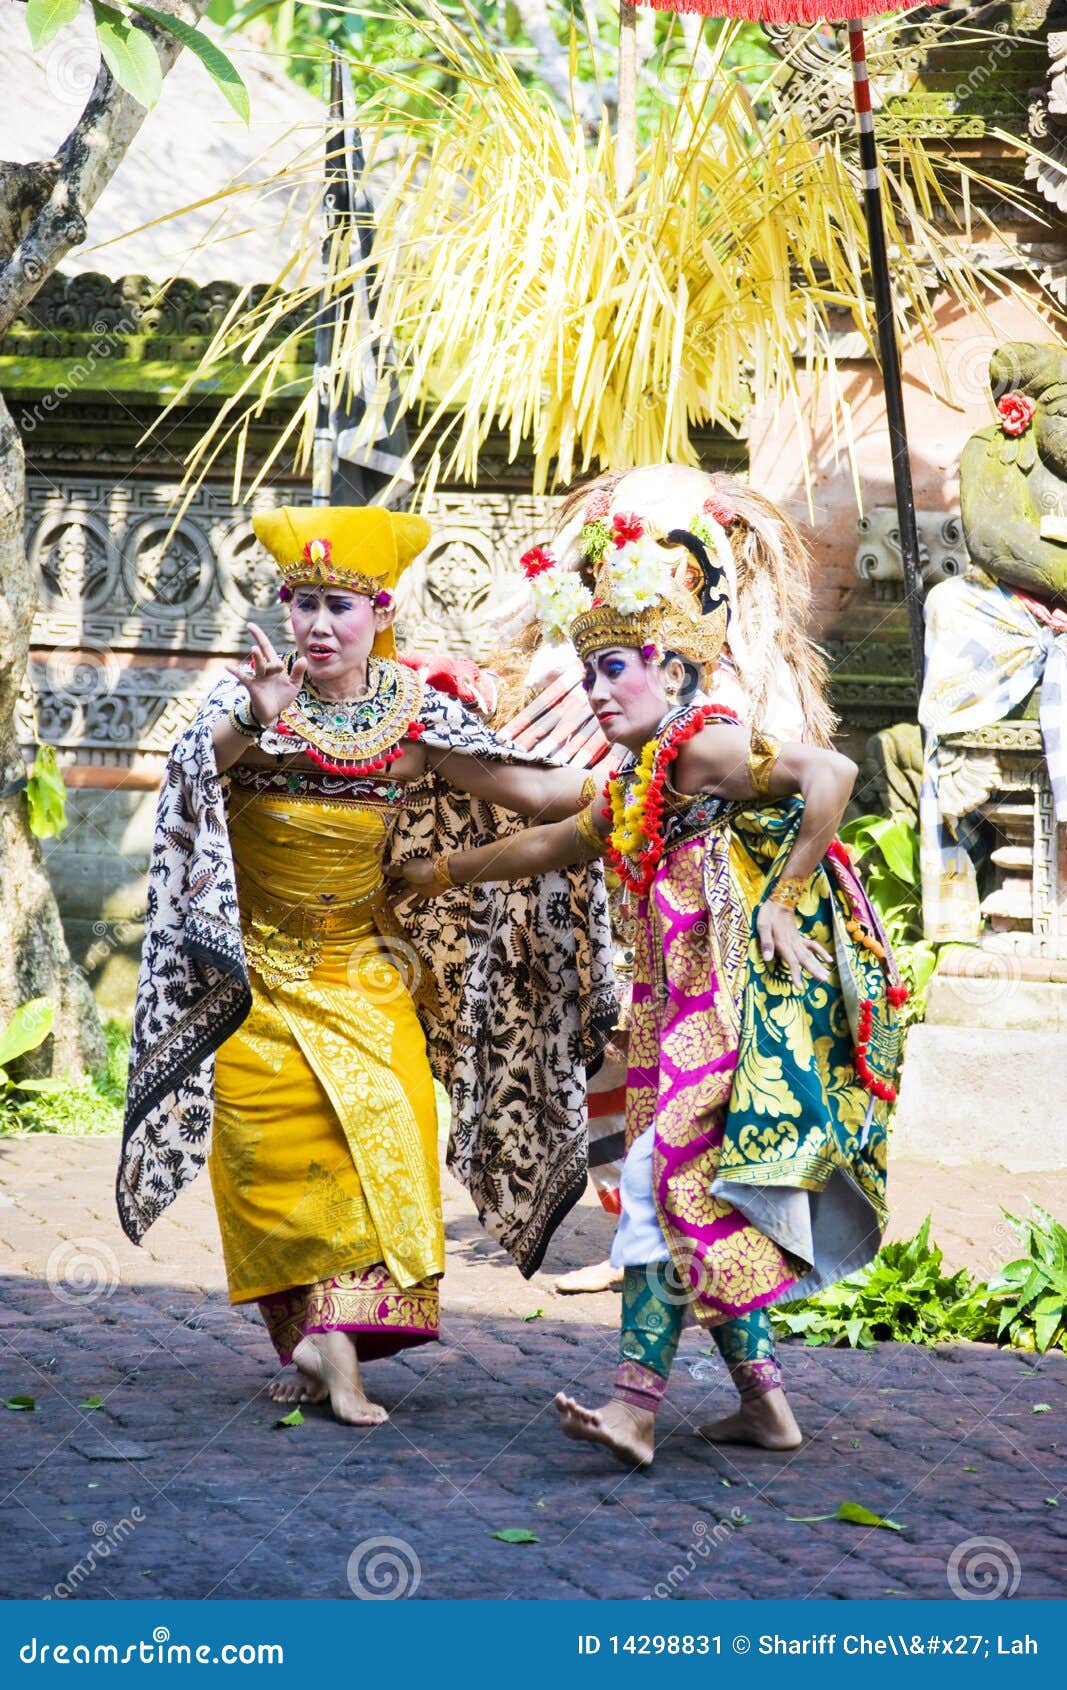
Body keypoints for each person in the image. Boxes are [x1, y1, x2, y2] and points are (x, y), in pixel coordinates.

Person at [396, 505, 904, 1464]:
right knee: (682, 1197)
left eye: (613, 668)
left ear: (672, 670)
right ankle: (766, 1409)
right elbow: (550, 815)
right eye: (588, 670)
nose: (594, 690)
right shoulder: (640, 780)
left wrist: (784, 898)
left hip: (729, 1016)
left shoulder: (702, 743)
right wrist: (440, 858)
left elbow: (829, 772)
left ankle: (634, 1407)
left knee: (662, 1189)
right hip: (676, 1016)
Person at [117, 506, 615, 1426]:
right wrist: (247, 719)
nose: (317, 625)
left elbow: (529, 787)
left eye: (339, 606)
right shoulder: (250, 704)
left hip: (364, 968)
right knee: (269, 1159)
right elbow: (186, 777)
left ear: (378, 612)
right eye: (303, 602)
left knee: (383, 1134)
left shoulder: (414, 714)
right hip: (252, 975)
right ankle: (312, 1342)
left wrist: (649, 778)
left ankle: (336, 1346)